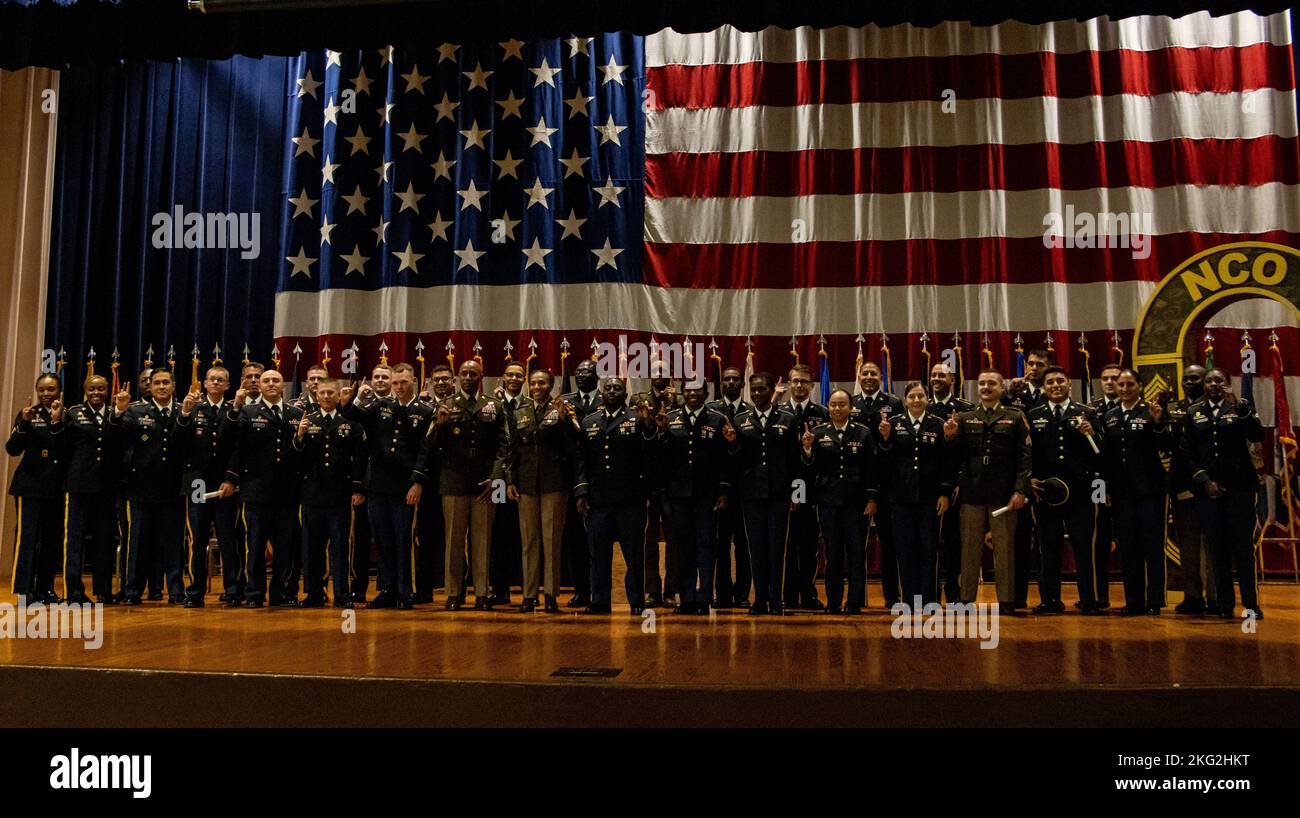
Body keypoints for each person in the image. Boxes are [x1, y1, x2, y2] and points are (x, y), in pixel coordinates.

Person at [412, 360, 506, 610]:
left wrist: (497, 478)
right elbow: (430, 445)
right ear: (457, 378)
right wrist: (439, 425)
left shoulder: (494, 405)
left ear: (481, 376)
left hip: (489, 483)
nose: (468, 377)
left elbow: (505, 446)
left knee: (484, 539)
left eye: (472, 373)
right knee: (453, 538)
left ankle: (483, 593)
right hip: (453, 481)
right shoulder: (447, 406)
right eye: (463, 373)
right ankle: (454, 592)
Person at [345, 363, 432, 609]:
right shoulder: (381, 406)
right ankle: (388, 589)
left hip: (405, 487)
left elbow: (425, 451)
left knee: (403, 539)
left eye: (403, 382)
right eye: (395, 383)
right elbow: (353, 417)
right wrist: (353, 399)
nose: (399, 387)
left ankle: (405, 591)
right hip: (379, 485)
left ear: (413, 381)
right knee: (382, 539)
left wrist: (417, 482)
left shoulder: (423, 411)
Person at [1179, 368, 1264, 620]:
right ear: (1204, 385)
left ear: (1226, 383)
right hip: (1209, 491)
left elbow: (1256, 434)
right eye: (1210, 381)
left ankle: (1251, 605)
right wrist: (1204, 481)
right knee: (1217, 548)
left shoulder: (1240, 407)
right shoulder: (1194, 412)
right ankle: (1224, 605)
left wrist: (1238, 406)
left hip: (1239, 488)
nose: (1214, 384)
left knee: (1243, 549)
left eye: (1219, 380)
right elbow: (1187, 452)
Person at [945, 369, 1031, 615]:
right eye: (982, 383)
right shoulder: (964, 416)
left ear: (1002, 387)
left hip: (1003, 493)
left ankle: (1006, 600)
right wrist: (950, 439)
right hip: (972, 492)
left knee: (1004, 549)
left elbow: (1024, 458)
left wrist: (1020, 490)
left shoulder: (1015, 417)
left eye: (991, 383)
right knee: (969, 547)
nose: (986, 387)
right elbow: (955, 458)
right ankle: (966, 599)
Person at [574, 377, 658, 615]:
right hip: (599, 500)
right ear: (602, 392)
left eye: (617, 388)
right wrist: (582, 491)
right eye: (608, 388)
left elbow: (650, 455)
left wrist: (649, 427)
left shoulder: (636, 419)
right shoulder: (590, 421)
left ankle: (636, 601)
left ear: (624, 393)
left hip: (630, 499)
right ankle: (599, 601)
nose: (612, 392)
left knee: (633, 554)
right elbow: (582, 461)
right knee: (598, 554)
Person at [221, 369, 303, 607]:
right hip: (256, 489)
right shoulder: (247, 412)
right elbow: (231, 443)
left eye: (275, 380)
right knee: (255, 545)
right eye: (265, 380)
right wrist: (235, 409)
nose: (269, 384)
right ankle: (254, 593)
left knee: (285, 547)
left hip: (287, 492)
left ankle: (280, 593)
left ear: (283, 385)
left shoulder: (296, 413)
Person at [1025, 366, 1103, 614]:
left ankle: (1089, 600)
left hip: (1080, 493)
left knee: (1083, 547)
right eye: (1050, 382)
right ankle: (1050, 600)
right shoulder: (1033, 413)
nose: (1055, 385)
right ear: (1044, 386)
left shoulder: (1086, 413)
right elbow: (1027, 454)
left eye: (1060, 381)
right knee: (1047, 548)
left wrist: (1092, 434)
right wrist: (1030, 480)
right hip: (1046, 493)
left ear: (1069, 384)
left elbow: (1101, 453)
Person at [502, 369, 580, 613]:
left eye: (542, 383)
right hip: (526, 482)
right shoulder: (520, 411)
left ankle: (550, 594)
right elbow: (512, 449)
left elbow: (575, 442)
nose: (536, 387)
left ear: (551, 385)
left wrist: (564, 420)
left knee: (552, 540)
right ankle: (529, 594)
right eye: (533, 383)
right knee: (529, 541)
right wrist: (510, 480)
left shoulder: (561, 409)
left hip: (553, 482)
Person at [109, 367, 188, 605]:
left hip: (173, 486)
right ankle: (132, 590)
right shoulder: (135, 411)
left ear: (174, 385)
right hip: (140, 487)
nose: (162, 387)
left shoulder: (183, 410)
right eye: (157, 383)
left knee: (173, 541)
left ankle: (175, 590)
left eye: (166, 382)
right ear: (150, 387)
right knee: (137, 542)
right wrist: (118, 412)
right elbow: (117, 438)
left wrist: (184, 416)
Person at [655, 383, 732, 614]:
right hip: (678, 494)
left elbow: (725, 459)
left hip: (706, 494)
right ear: (682, 393)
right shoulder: (670, 418)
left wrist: (723, 491)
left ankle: (704, 597)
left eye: (697, 390)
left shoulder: (717, 419)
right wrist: (661, 433)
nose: (692, 394)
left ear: (705, 394)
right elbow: (662, 457)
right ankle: (686, 597)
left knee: (706, 546)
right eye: (688, 390)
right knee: (683, 546)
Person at [878, 381, 956, 607]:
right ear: (905, 400)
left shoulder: (938, 424)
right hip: (900, 498)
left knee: (929, 548)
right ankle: (910, 599)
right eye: (912, 397)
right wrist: (884, 440)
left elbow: (946, 463)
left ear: (927, 399)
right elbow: (884, 462)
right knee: (904, 549)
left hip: (929, 498)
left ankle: (929, 598)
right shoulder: (893, 424)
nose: (917, 400)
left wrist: (944, 493)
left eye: (921, 396)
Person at [1101, 369, 1172, 615]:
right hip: (1122, 492)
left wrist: (1158, 422)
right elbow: (1107, 457)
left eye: (1130, 384)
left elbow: (1167, 447)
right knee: (1129, 547)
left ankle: (1155, 601)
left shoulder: (1151, 411)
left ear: (1139, 386)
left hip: (1150, 489)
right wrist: (1107, 489)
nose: (1124, 388)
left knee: (1152, 546)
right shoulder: (1110, 416)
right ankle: (1134, 601)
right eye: (1121, 385)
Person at [728, 372, 800, 615]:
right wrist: (732, 444)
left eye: (762, 389)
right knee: (755, 547)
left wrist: (796, 495)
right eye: (754, 390)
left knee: (777, 547)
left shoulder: (788, 419)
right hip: (751, 494)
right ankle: (759, 598)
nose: (758, 393)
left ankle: (776, 599)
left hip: (780, 494)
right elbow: (735, 462)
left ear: (772, 391)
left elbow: (795, 461)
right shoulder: (741, 420)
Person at [800, 388, 877, 614]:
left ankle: (854, 601)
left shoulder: (863, 433)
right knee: (832, 554)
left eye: (842, 404)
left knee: (856, 553)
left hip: (857, 503)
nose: (837, 408)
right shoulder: (818, 432)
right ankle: (833, 602)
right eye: (833, 404)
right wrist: (806, 448)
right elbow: (809, 468)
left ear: (850, 407)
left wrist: (872, 498)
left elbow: (871, 469)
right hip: (828, 502)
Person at [293, 378, 366, 608]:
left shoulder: (350, 424)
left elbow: (359, 461)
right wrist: (300, 436)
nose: (326, 396)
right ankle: (314, 593)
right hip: (312, 495)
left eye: (330, 393)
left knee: (340, 546)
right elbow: (295, 457)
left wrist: (357, 489)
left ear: (338, 396)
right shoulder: (307, 421)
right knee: (311, 546)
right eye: (322, 392)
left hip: (339, 495)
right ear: (315, 394)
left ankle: (342, 594)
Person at [176, 367, 239, 607]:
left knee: (227, 538)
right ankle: (195, 592)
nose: (215, 382)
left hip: (223, 482)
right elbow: (177, 443)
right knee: (197, 539)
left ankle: (232, 590)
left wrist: (231, 479)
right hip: (197, 480)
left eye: (220, 379)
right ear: (204, 383)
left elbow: (236, 448)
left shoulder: (233, 410)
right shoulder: (194, 410)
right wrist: (183, 414)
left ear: (227, 384)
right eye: (212, 379)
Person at [7, 374, 68, 602]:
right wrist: (22, 423)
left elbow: (66, 450)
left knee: (51, 539)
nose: (45, 394)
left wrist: (57, 422)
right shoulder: (28, 415)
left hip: (56, 487)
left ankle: (46, 588)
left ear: (59, 391)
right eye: (41, 390)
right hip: (30, 486)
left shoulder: (66, 415)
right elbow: (12, 449)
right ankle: (24, 590)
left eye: (50, 389)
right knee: (27, 539)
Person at [61, 375, 118, 605]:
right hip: (78, 485)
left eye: (101, 389)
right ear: (85, 390)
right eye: (92, 388)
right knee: (74, 539)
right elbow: (63, 448)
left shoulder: (116, 413)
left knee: (104, 539)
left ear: (107, 391)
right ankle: (73, 592)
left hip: (105, 486)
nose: (96, 392)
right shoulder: (72, 414)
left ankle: (104, 589)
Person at [1166, 364, 1219, 614]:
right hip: (1182, 482)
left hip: (1211, 483)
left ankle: (1217, 596)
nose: (1189, 382)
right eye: (1186, 379)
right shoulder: (1172, 408)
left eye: (1195, 378)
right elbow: (1168, 446)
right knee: (1188, 544)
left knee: (1213, 542)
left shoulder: (1217, 408)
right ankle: (1193, 595)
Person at [851, 361, 904, 606]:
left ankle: (892, 597)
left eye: (874, 373)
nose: (869, 376)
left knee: (890, 543)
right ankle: (857, 597)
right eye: (865, 373)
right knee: (855, 544)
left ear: (881, 376)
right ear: (859, 376)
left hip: (886, 481)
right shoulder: (850, 404)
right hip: (857, 482)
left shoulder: (893, 404)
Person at [1004, 348, 1052, 609]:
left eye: (1040, 364)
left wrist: (1039, 478)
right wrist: (1023, 480)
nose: (1033, 368)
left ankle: (1048, 598)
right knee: (1019, 542)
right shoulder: (1015, 395)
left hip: (1046, 482)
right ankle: (1017, 597)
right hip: (1020, 480)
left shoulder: (1054, 394)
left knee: (1046, 544)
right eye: (1030, 364)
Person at [636, 360, 684, 608]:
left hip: (673, 481)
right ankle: (652, 590)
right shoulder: (639, 399)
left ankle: (671, 590)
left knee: (674, 539)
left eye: (664, 372)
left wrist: (675, 403)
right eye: (655, 372)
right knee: (649, 538)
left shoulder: (680, 402)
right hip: (647, 481)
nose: (660, 377)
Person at [781, 363, 829, 610]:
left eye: (804, 382)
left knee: (810, 545)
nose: (799, 385)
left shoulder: (821, 414)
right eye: (795, 381)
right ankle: (787, 593)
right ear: (789, 384)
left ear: (811, 386)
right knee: (788, 545)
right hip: (785, 488)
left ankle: (808, 593)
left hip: (812, 489)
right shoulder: (778, 412)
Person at [706, 365, 751, 608]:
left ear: (742, 385)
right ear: (721, 384)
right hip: (717, 491)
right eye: (727, 380)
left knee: (744, 545)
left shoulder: (749, 412)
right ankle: (722, 594)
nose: (732, 383)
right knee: (720, 545)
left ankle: (742, 594)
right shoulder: (711, 411)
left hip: (744, 489)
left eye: (736, 380)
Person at [926, 363, 971, 603]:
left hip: (956, 488)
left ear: (952, 379)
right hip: (927, 487)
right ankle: (931, 592)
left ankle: (954, 592)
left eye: (941, 375)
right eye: (933, 375)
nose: (936, 379)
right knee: (929, 542)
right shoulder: (922, 406)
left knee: (954, 542)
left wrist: (960, 482)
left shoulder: (964, 409)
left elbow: (968, 452)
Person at [559, 359, 601, 607]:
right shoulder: (565, 402)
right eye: (579, 371)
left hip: (599, 478)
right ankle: (581, 590)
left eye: (588, 371)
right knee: (575, 539)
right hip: (570, 478)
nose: (583, 375)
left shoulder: (607, 400)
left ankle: (600, 590)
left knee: (599, 540)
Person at [414, 362, 454, 601]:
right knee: (426, 535)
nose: (441, 383)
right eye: (437, 379)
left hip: (455, 478)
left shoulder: (460, 404)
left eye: (445, 379)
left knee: (456, 535)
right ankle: (424, 588)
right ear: (430, 382)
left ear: (453, 381)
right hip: (429, 480)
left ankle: (454, 587)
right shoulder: (423, 409)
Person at [489, 362, 527, 605]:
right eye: (510, 374)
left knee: (525, 534)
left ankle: (528, 590)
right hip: (500, 481)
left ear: (524, 379)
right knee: (498, 532)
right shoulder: (494, 405)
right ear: (503, 377)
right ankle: (500, 589)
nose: (513, 378)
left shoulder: (529, 404)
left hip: (524, 479)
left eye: (518, 375)